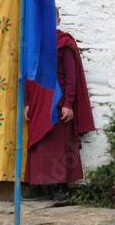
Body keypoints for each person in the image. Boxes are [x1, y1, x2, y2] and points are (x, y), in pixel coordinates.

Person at [24, 10, 95, 206]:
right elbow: (28, 75)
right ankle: (39, 185)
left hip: (59, 100)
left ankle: (62, 187)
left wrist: (69, 104)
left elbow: (71, 77)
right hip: (38, 100)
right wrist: (27, 103)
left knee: (60, 146)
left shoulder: (64, 43)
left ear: (57, 20)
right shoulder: (33, 45)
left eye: (50, 18)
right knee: (38, 143)